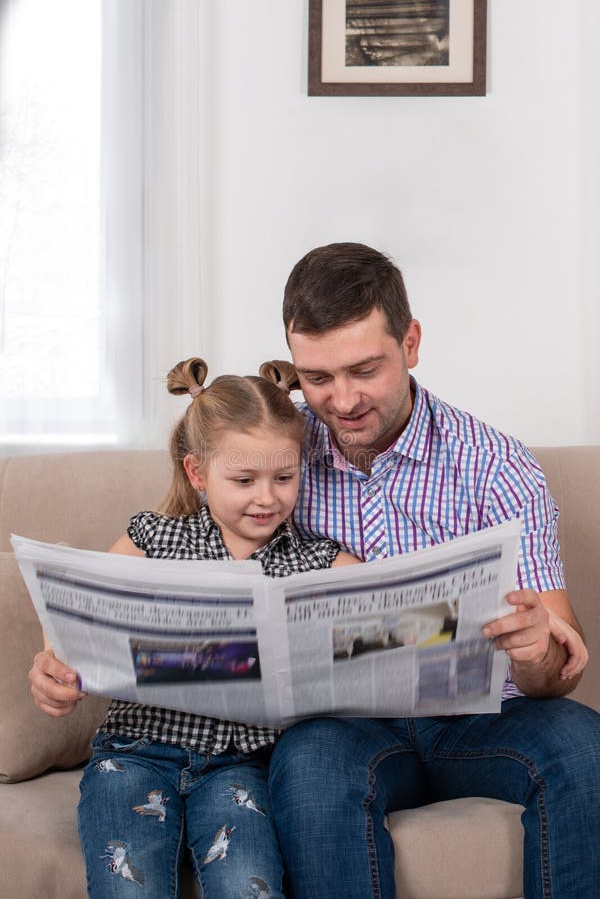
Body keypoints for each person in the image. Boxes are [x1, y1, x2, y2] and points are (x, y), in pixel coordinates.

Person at [267, 241, 600, 899]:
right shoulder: (275, 453)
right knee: (307, 767)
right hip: (345, 726)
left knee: (584, 746)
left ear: (411, 342)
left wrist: (536, 648)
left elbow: (559, 667)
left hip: (483, 719)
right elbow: (179, 541)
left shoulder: (494, 464)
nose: (342, 400)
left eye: (365, 369)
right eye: (317, 377)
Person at [28, 356, 358, 899]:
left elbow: (389, 611)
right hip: (134, 753)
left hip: (240, 767)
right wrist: (53, 665)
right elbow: (76, 612)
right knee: (128, 888)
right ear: (198, 473)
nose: (267, 497)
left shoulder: (316, 560)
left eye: (285, 477)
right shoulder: (154, 538)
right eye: (244, 479)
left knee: (247, 887)